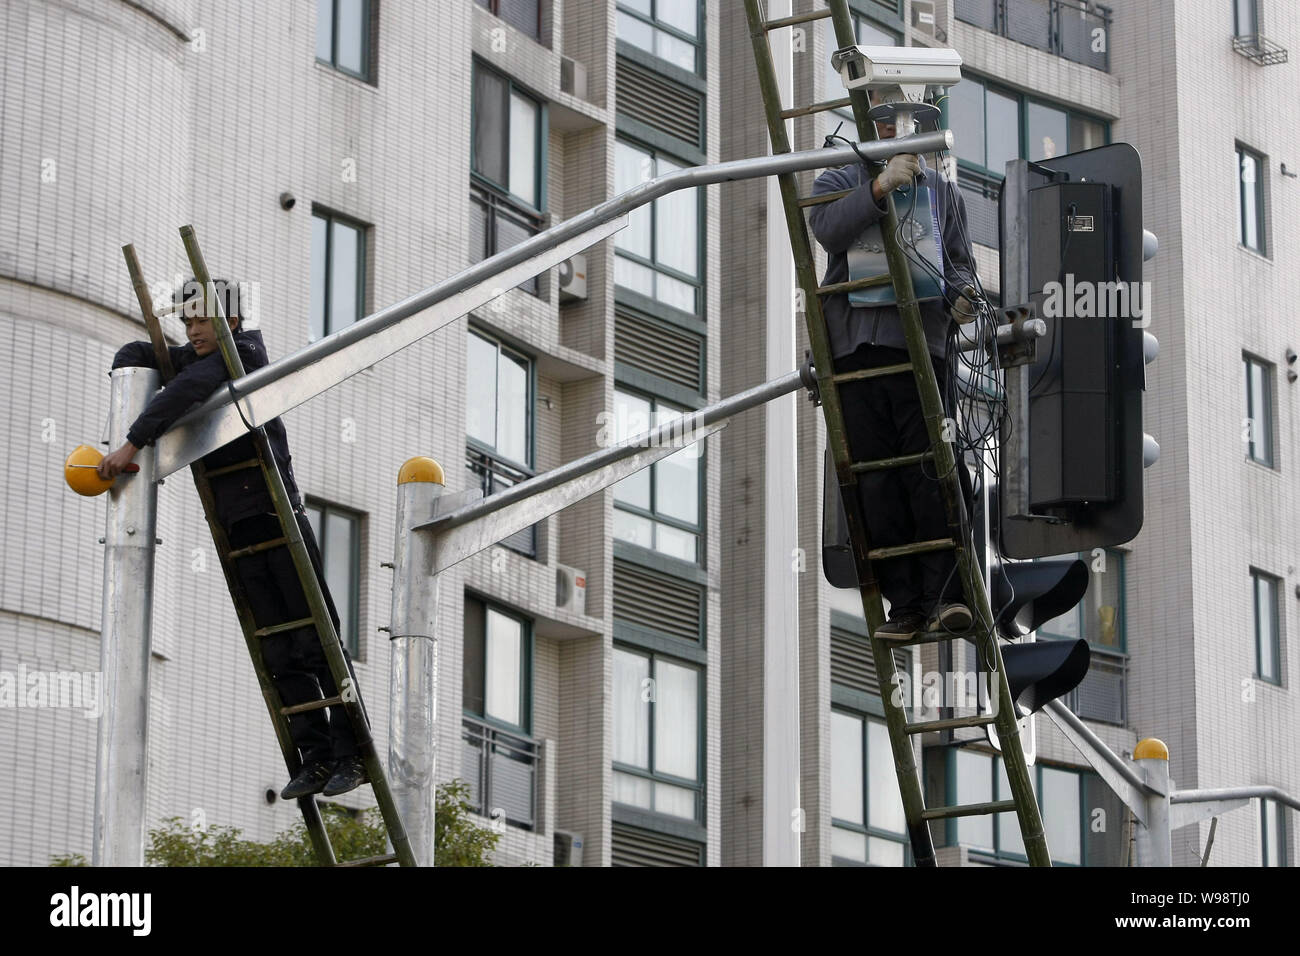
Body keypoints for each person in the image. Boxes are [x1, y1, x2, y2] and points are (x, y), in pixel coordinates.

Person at [97, 279, 370, 799]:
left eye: (202, 320)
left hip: (276, 516)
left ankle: (350, 752)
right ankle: (313, 755)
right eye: (188, 322)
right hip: (238, 527)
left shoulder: (244, 354)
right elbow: (142, 353)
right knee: (277, 650)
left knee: (315, 642)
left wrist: (130, 441)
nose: (194, 330)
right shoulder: (199, 359)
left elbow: (184, 390)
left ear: (233, 320)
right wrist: (133, 364)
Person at [809, 92, 983, 640]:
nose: (896, 132)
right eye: (886, 123)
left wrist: (962, 299)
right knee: (875, 481)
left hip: (921, 350)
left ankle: (948, 595)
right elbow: (827, 228)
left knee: (930, 470)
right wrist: (880, 187)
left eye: (905, 125)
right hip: (856, 349)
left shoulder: (944, 196)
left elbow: (960, 267)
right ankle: (904, 603)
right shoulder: (839, 177)